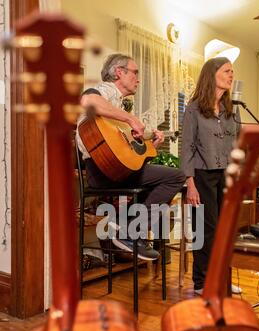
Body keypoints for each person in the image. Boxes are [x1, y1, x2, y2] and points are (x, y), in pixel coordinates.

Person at [77, 53, 185, 261]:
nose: (138, 78)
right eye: (135, 72)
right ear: (119, 72)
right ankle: (129, 232)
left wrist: (150, 147)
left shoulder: (117, 108)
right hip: (102, 171)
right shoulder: (107, 91)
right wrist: (131, 119)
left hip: (111, 170)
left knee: (160, 180)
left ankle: (126, 228)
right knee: (176, 177)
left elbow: (124, 154)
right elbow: (88, 100)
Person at [181, 56, 242, 295]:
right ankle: (201, 282)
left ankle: (223, 279)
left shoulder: (231, 109)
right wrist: (190, 184)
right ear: (212, 74)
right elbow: (187, 147)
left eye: (232, 72)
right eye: (227, 71)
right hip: (202, 175)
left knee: (225, 229)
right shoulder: (194, 108)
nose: (231, 75)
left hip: (226, 175)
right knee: (206, 229)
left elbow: (238, 143)